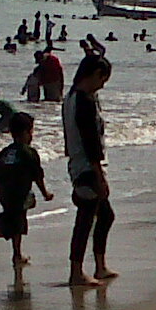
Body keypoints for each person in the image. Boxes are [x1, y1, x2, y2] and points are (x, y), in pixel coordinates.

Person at [62, 55, 116, 287]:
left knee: (104, 215)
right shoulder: (84, 101)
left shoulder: (70, 98)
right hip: (87, 167)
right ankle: (77, 272)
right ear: (94, 74)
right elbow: (90, 140)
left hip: (78, 164)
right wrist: (99, 175)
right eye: (102, 79)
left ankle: (99, 266)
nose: (102, 85)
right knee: (86, 218)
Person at [0, 112, 53, 264]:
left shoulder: (6, 152)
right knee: (15, 226)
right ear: (25, 132)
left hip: (6, 193)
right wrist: (45, 193)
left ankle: (17, 255)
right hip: (19, 194)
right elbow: (38, 176)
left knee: (18, 222)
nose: (32, 135)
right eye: (31, 131)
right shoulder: (28, 152)